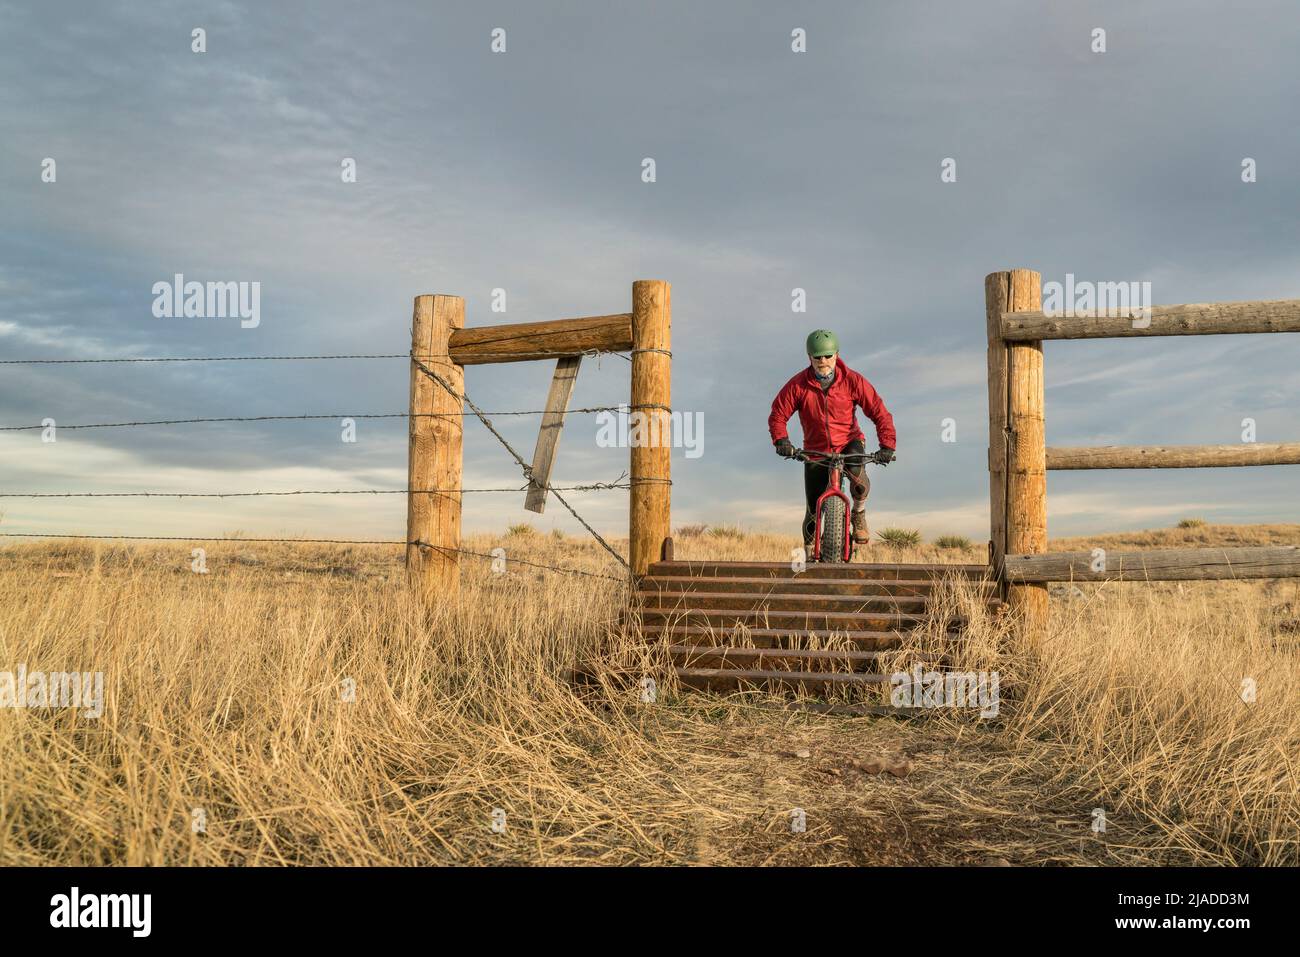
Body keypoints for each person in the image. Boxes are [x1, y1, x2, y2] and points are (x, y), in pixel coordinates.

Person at [767, 329, 897, 554]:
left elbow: (879, 412)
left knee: (857, 475)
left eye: (827, 356)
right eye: (817, 357)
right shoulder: (798, 385)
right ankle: (808, 554)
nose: (823, 361)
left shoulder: (852, 380)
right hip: (815, 450)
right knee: (812, 509)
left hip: (849, 441)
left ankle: (858, 513)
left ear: (836, 354)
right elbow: (778, 414)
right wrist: (781, 440)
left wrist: (887, 445)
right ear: (810, 357)